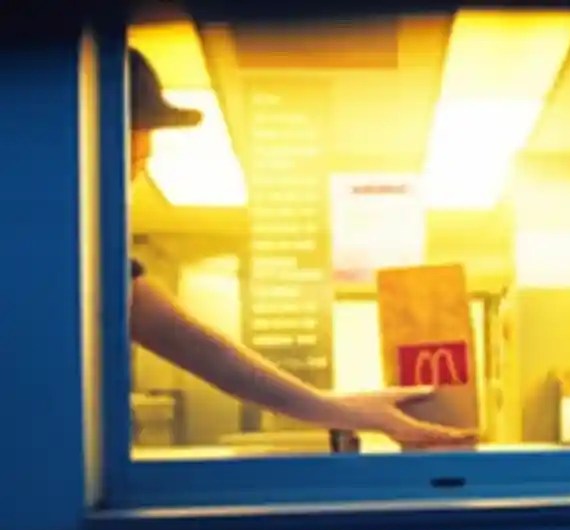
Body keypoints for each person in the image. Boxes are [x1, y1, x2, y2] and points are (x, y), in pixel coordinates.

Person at [127, 48, 474, 448]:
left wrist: (334, 407)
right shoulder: (69, 260)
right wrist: (335, 408)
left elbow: (195, 345)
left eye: (140, 167)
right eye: (134, 165)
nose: (133, 186)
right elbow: (190, 342)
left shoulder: (91, 266)